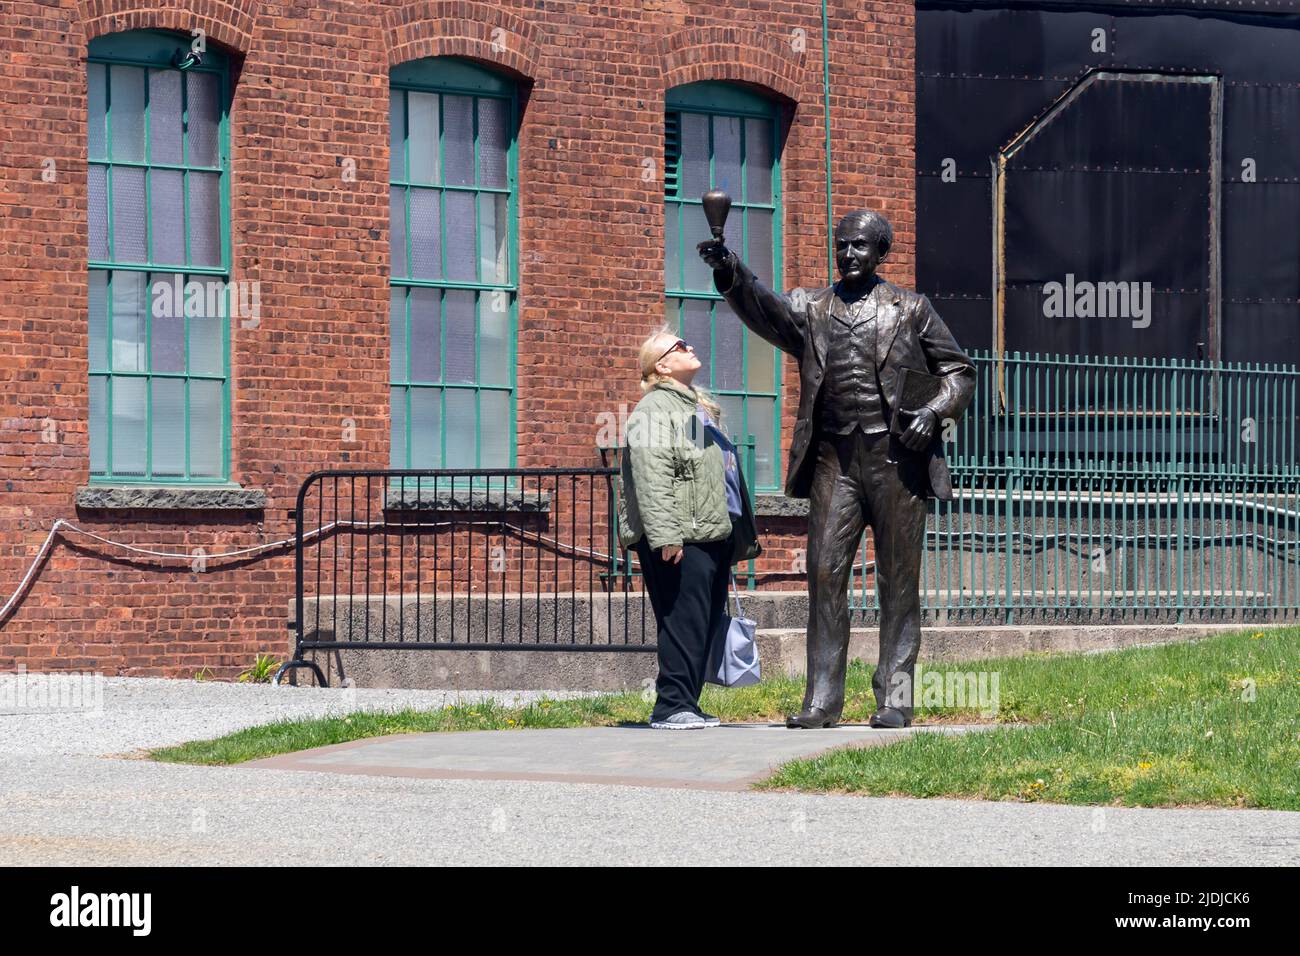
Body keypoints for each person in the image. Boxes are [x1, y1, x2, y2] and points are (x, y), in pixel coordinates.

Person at [698, 210, 975, 729]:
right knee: (824, 576)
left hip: (898, 463)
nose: (848, 255)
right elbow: (767, 311)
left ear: (881, 253)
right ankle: (823, 699)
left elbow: (959, 372)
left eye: (860, 247)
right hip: (835, 463)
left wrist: (935, 413)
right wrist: (730, 270)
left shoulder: (912, 309)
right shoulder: (813, 308)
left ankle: (895, 697)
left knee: (898, 582)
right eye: (842, 245)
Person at [615, 327, 762, 729]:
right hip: (679, 536)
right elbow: (651, 474)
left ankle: (687, 704)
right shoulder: (653, 410)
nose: (691, 345)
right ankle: (670, 706)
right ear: (661, 365)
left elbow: (701, 471)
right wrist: (665, 536)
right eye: (681, 345)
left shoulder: (690, 408)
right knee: (682, 619)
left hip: (709, 534)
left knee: (703, 619)